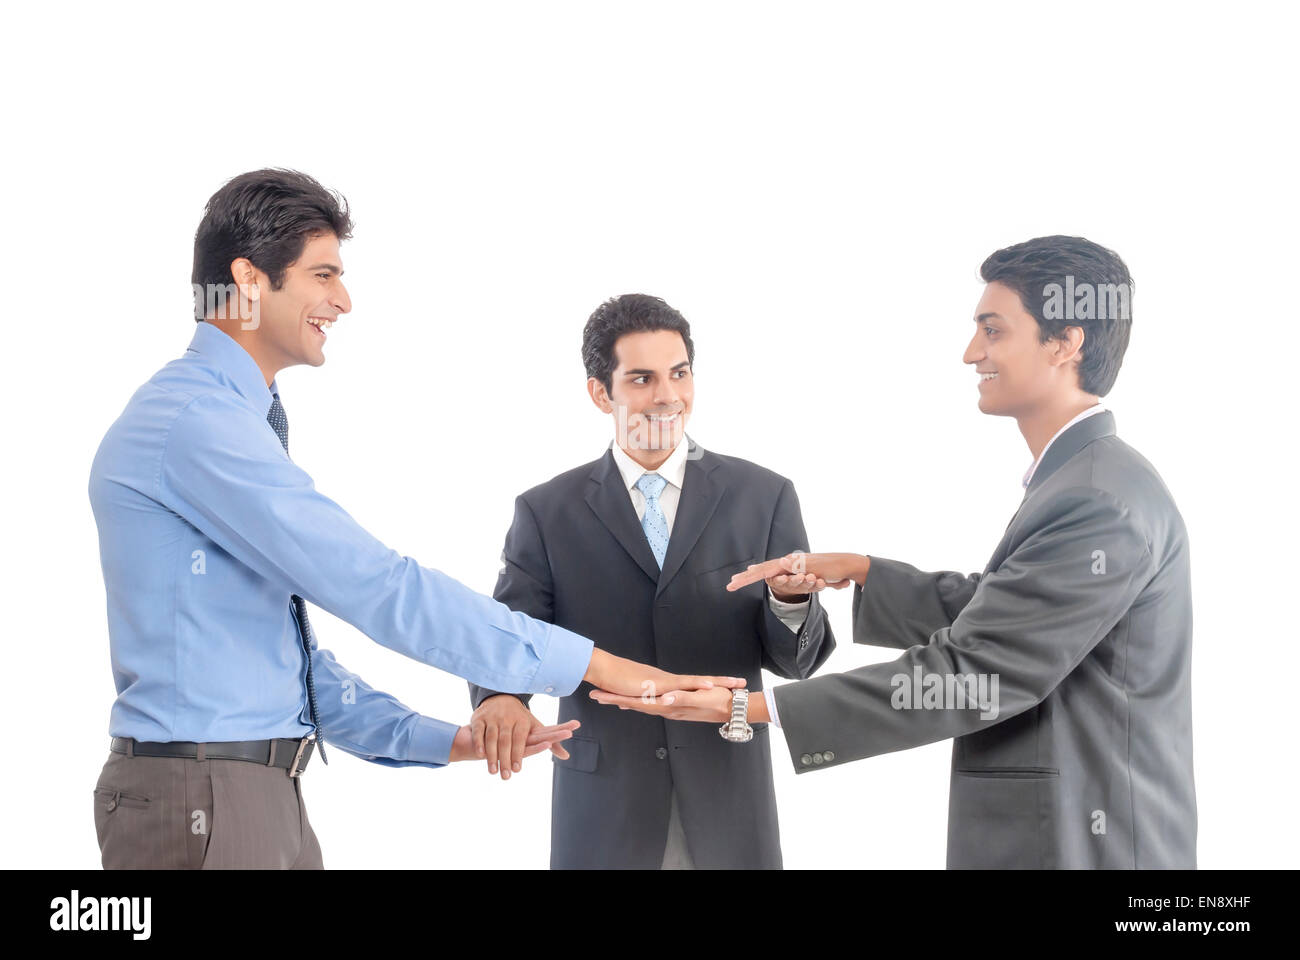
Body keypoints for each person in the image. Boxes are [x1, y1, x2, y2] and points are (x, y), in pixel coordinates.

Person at [88, 170, 741, 869]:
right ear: (248, 280)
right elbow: (374, 585)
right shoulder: (197, 423)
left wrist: (446, 739)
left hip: (251, 792)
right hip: (206, 799)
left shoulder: (228, 421)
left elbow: (289, 668)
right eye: (323, 274)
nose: (342, 300)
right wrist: (601, 667)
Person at [591, 237, 1196, 869]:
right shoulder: (1083, 480)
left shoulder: (1097, 501)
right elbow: (1011, 613)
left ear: (1065, 343)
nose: (972, 353)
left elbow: (976, 673)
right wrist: (862, 573)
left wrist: (752, 705)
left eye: (992, 330)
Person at [467, 294, 837, 868]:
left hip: (727, 792)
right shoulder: (546, 511)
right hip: (604, 801)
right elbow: (513, 634)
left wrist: (789, 602)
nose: (668, 395)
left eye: (679, 373)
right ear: (600, 392)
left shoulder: (764, 497)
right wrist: (498, 699)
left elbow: (796, 663)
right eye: (642, 378)